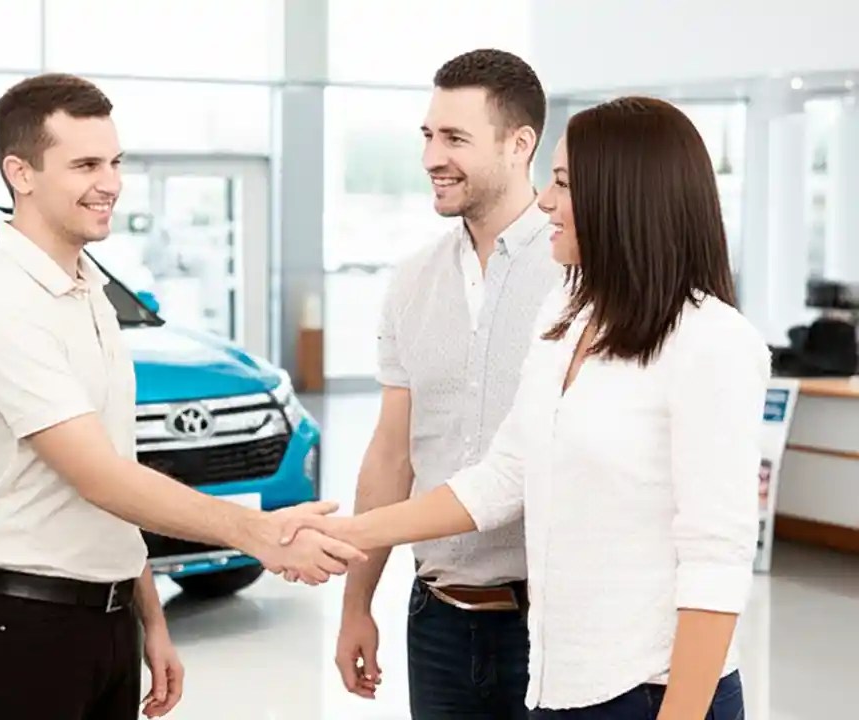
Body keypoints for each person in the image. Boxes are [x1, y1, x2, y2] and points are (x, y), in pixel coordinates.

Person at [285, 96, 769, 719]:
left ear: (623, 199)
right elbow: (500, 478)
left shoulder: (712, 342)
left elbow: (716, 560)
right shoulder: (567, 320)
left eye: (564, 184)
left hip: (651, 692)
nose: (544, 202)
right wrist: (347, 533)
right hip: (557, 684)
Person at [0, 73, 364, 720]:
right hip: (23, 628)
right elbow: (101, 480)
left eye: (115, 161)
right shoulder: (3, 304)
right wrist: (260, 533)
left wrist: (148, 619)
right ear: (20, 173)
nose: (110, 182)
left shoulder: (87, 289)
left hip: (104, 619)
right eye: (85, 164)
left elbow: (118, 469)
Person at [331, 49, 561, 719]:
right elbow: (390, 455)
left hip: (550, 619)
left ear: (520, 145)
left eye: (455, 138)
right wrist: (355, 604)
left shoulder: (577, 275)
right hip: (434, 620)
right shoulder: (412, 281)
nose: (432, 156)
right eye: (428, 136)